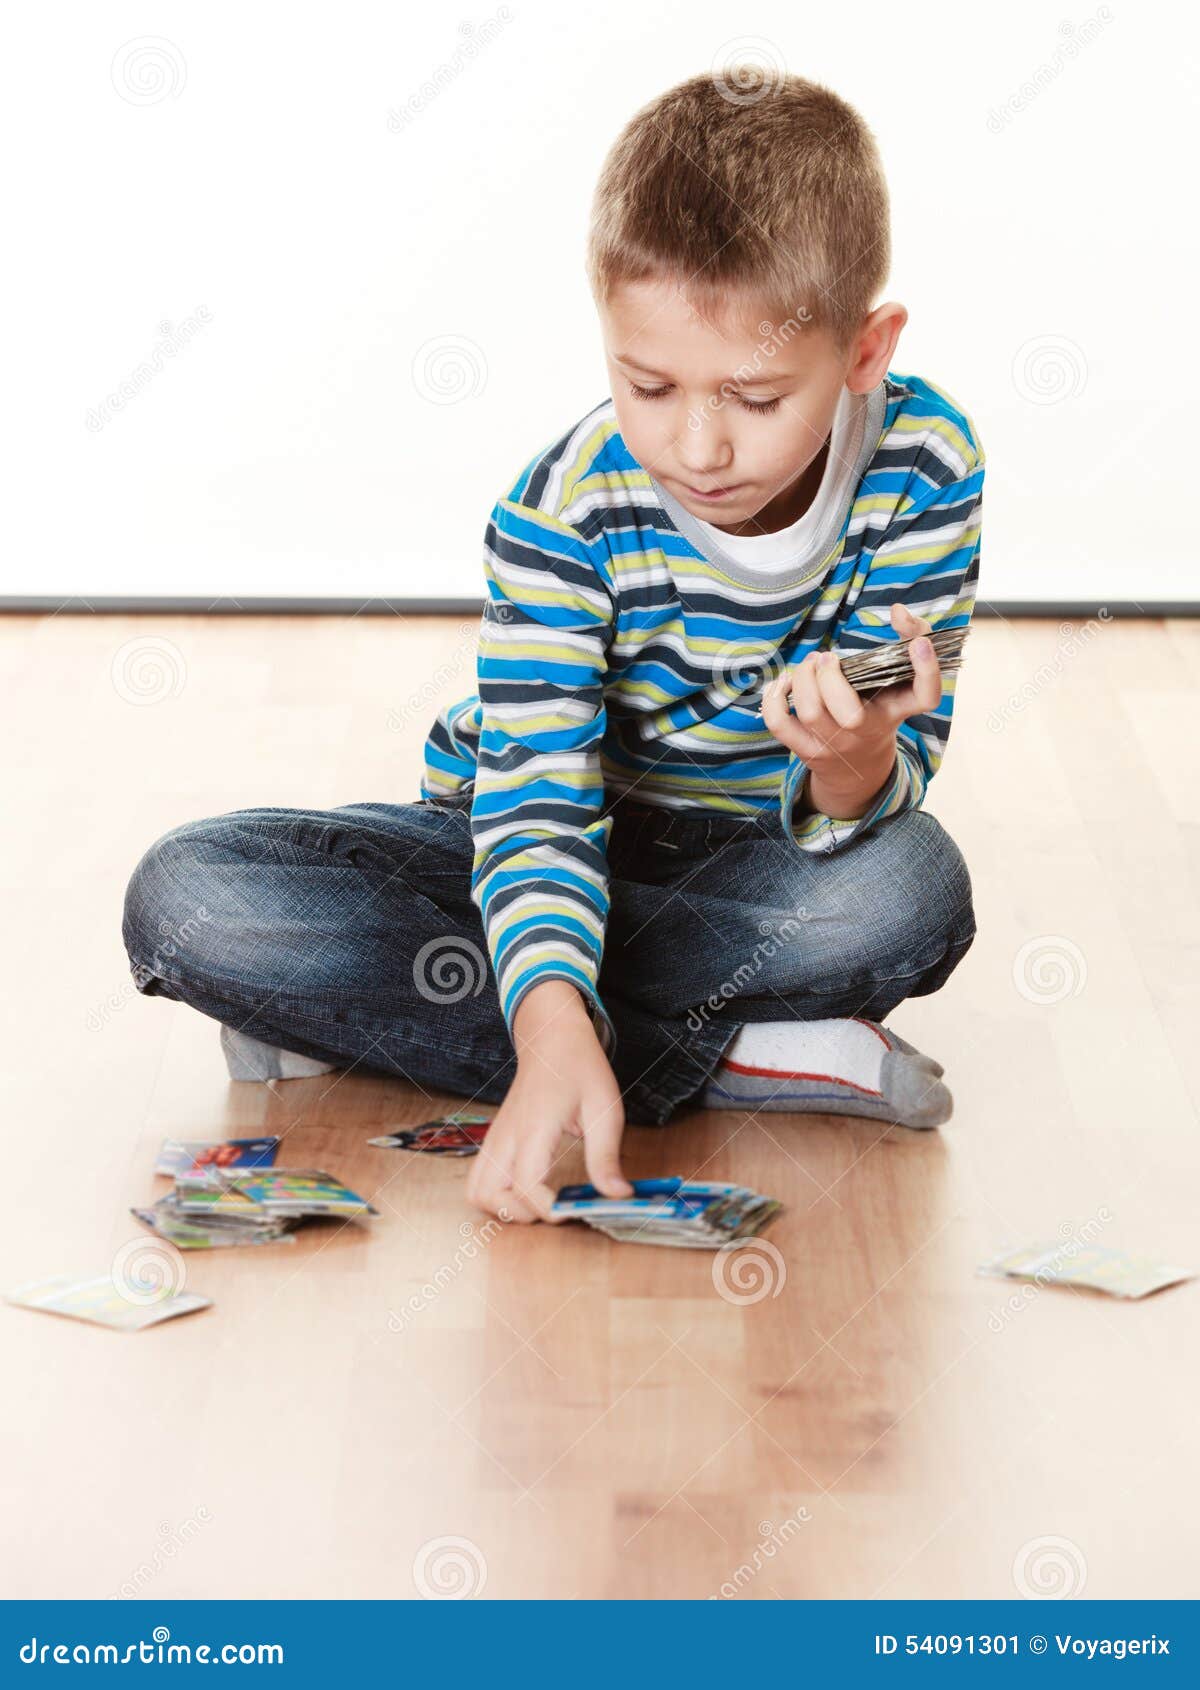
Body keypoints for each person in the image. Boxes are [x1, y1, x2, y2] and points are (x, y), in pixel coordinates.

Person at [122, 68, 983, 1227]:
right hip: (531, 846)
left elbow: (886, 778)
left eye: (758, 396)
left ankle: (416, 1031)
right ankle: (738, 1056)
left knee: (913, 887)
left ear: (866, 352)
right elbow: (532, 809)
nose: (698, 445)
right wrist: (543, 1011)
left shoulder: (928, 462)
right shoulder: (562, 509)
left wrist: (853, 761)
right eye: (647, 383)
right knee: (188, 899)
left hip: (751, 866)